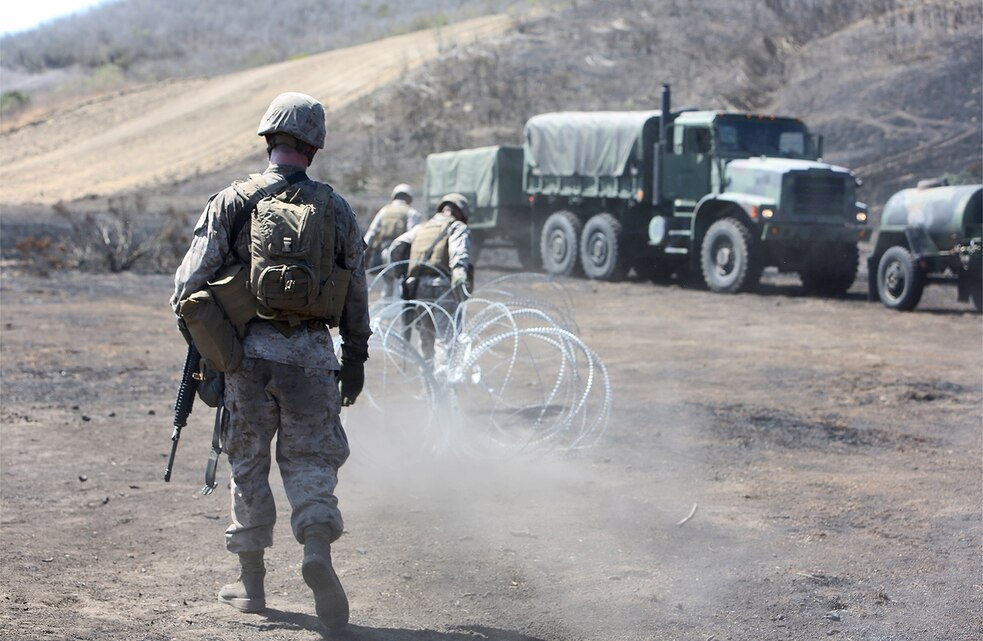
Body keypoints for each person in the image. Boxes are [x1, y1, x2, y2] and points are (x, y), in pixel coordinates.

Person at [169, 92, 370, 631]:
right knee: (311, 463)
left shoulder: (233, 201)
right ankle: (316, 552)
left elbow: (186, 287)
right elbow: (356, 295)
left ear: (268, 140)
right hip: (313, 360)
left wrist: (213, 349)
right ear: (315, 146)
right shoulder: (338, 209)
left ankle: (251, 586)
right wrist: (355, 360)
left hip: (247, 360)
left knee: (248, 464)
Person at [387, 193, 472, 363]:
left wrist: (399, 274)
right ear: (460, 212)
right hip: (443, 287)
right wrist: (459, 271)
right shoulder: (457, 226)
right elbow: (458, 251)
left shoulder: (421, 228)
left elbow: (396, 247)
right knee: (446, 340)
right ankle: (443, 384)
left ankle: (428, 382)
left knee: (426, 339)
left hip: (418, 288)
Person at [363, 183, 422, 297]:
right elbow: (414, 236)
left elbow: (371, 233)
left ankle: (386, 310)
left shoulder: (384, 211)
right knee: (400, 284)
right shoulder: (411, 212)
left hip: (384, 254)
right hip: (402, 256)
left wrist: (361, 252)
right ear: (409, 198)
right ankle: (397, 312)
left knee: (388, 284)